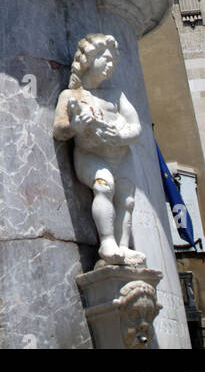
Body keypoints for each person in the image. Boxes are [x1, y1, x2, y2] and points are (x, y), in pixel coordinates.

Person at [53, 33, 146, 267]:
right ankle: (107, 242)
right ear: (88, 61)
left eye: (113, 61)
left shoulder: (116, 96)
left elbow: (136, 126)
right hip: (90, 155)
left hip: (121, 154)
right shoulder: (72, 96)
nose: (110, 65)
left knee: (126, 199)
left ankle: (124, 247)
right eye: (105, 59)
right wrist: (76, 126)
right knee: (104, 184)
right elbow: (59, 129)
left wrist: (122, 135)